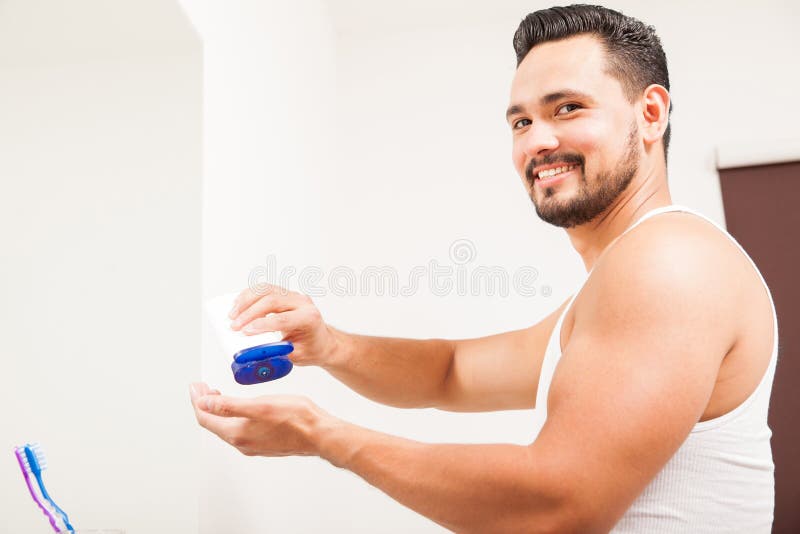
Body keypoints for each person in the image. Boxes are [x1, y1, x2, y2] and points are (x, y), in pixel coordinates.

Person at [190, 5, 778, 532]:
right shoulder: (622, 281)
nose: (537, 142)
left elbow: (557, 505)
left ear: (650, 114)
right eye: (520, 122)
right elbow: (450, 372)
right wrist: (327, 344)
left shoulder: (669, 262)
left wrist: (323, 436)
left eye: (567, 108)